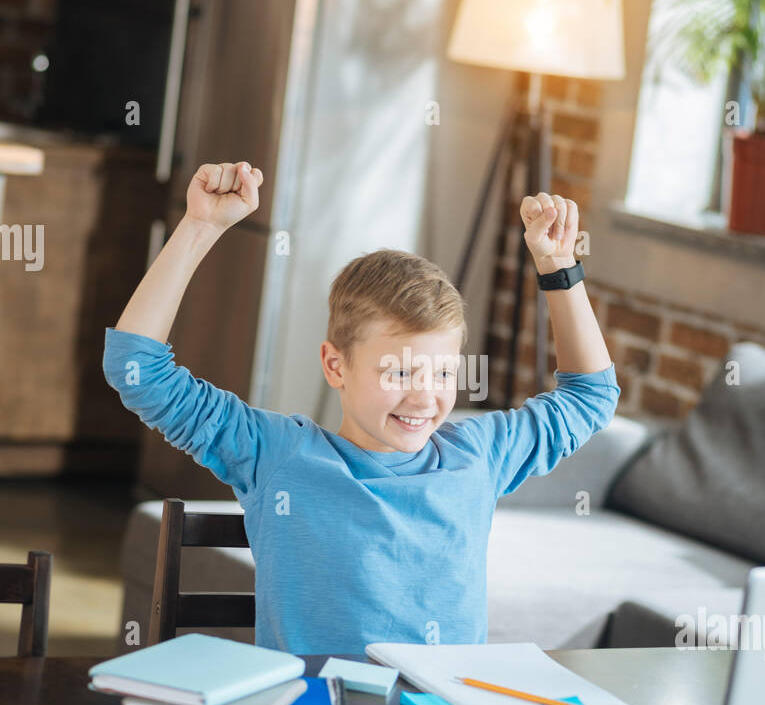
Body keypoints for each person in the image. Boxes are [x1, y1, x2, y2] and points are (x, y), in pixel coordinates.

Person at [104, 161, 619, 658]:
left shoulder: (478, 457)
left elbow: (590, 397)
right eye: (398, 372)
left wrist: (558, 269)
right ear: (335, 365)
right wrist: (199, 226)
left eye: (442, 374)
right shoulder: (278, 455)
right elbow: (137, 370)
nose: (423, 398)